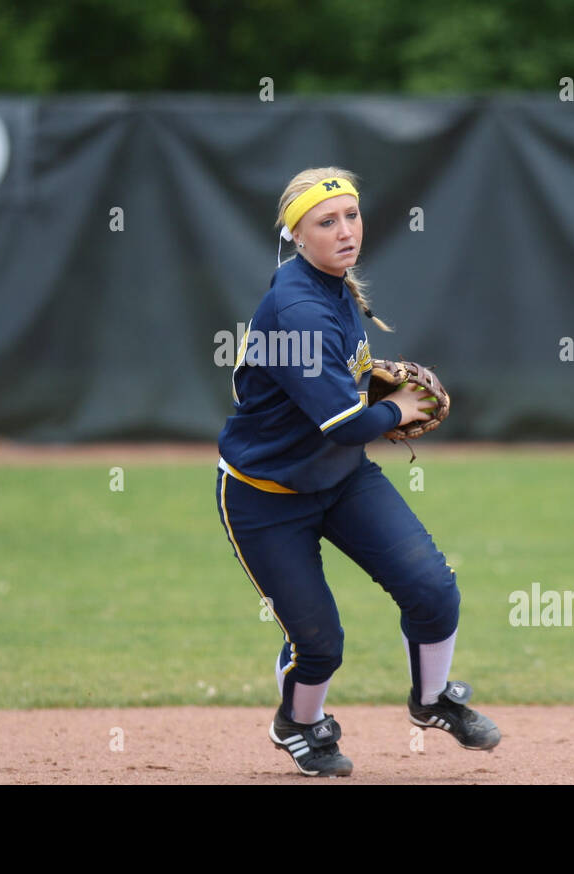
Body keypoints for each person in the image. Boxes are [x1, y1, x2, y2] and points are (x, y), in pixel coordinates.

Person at [214, 167, 500, 777]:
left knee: (431, 588)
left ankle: (432, 701)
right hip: (266, 497)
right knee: (319, 644)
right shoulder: (297, 307)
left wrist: (371, 385)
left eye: (351, 215)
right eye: (326, 222)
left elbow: (334, 389)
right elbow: (344, 423)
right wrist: (395, 407)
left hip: (341, 479)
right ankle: (299, 723)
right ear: (296, 235)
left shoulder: (334, 285)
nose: (345, 230)